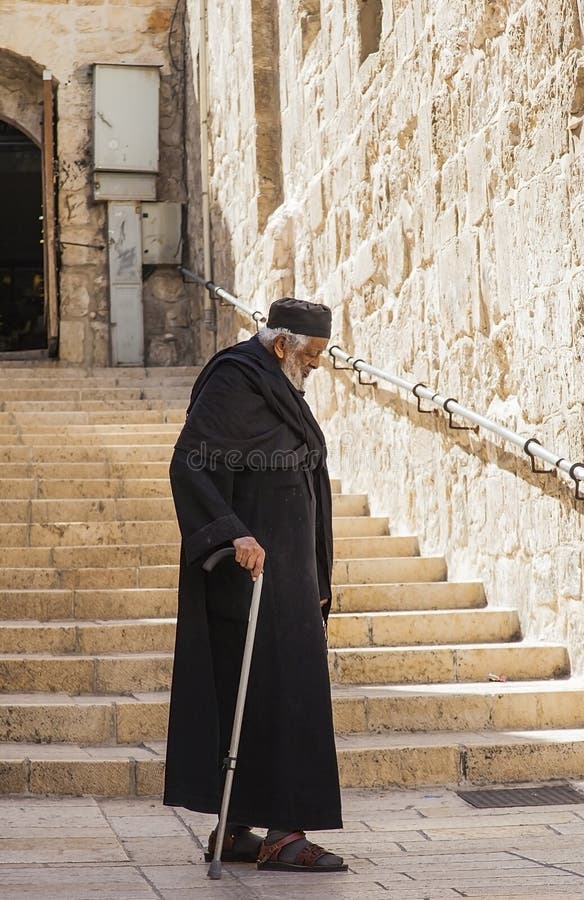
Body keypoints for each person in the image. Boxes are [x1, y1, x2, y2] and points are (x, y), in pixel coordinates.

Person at [163, 297, 347, 873]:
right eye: (312, 353)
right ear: (282, 342)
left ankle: (237, 829)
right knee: (281, 696)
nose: (316, 364)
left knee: (276, 694)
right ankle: (285, 834)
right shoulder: (235, 378)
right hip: (250, 574)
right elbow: (189, 461)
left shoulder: (282, 385)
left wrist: (316, 573)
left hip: (289, 576)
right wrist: (230, 533)